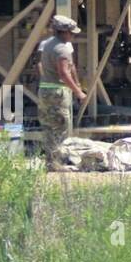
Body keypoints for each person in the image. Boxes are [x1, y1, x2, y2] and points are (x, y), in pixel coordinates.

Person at [36, 15, 87, 169]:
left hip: (44, 90)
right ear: (63, 32)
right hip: (57, 93)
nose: (73, 35)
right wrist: (78, 91)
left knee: (48, 128)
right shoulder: (61, 49)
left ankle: (50, 162)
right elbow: (64, 73)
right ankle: (57, 163)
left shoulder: (47, 45)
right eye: (71, 33)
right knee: (60, 128)